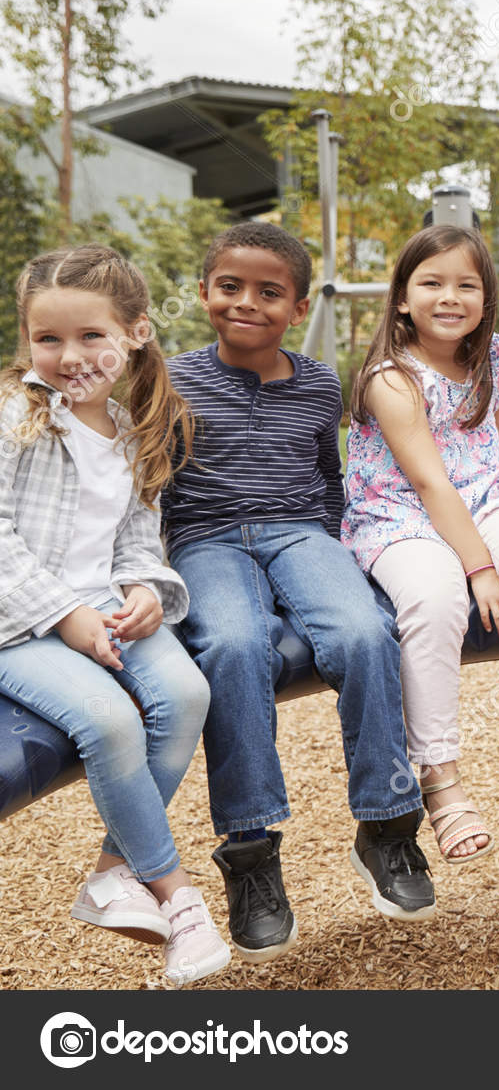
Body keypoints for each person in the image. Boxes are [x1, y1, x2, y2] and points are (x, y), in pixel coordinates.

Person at [166, 222, 433, 962]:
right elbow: (150, 483)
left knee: (363, 630)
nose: (246, 302)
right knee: (235, 643)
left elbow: (329, 476)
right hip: (207, 540)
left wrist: (325, 559)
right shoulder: (173, 378)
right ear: (203, 293)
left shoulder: (319, 382)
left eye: (269, 292)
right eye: (230, 287)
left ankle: (387, 824)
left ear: (298, 303)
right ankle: (250, 853)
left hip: (301, 533)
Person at [0, 244, 228, 987]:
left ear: (134, 332)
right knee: (109, 719)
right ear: (26, 338)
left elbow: (136, 538)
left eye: (91, 335)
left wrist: (145, 592)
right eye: (49, 338)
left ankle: (109, 872)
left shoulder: (131, 428)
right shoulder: (16, 417)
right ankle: (178, 894)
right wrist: (64, 613)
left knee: (189, 692)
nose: (70, 355)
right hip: (18, 620)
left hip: (100, 607)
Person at [345, 224, 499, 870]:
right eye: (431, 282)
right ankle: (441, 777)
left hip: (479, 499)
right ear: (402, 297)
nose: (448, 296)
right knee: (436, 596)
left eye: (466, 284)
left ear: (485, 298)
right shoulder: (390, 377)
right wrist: (481, 568)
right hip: (399, 513)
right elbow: (428, 480)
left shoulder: (492, 358)